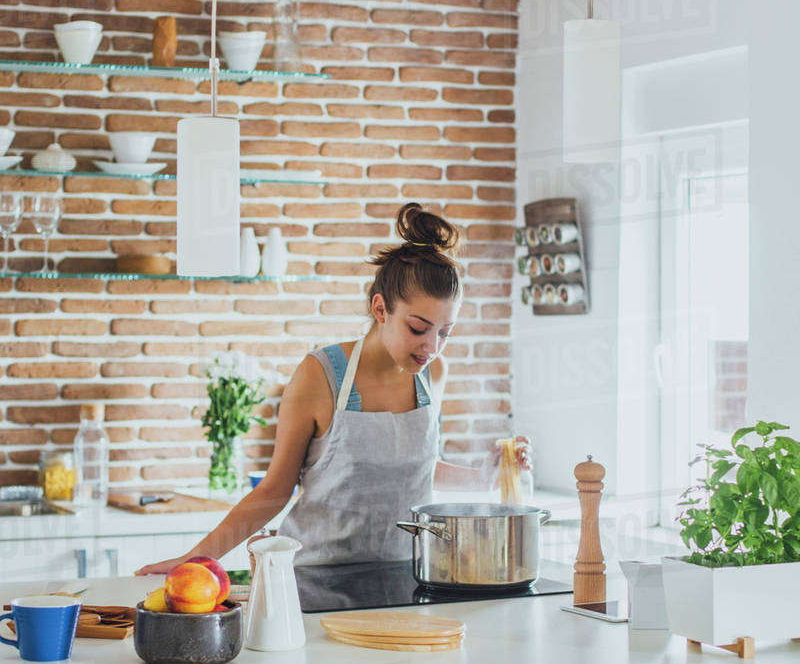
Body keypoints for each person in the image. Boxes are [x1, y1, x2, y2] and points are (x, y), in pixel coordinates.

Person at [136, 202, 530, 574]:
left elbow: (415, 469)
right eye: (417, 328)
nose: (431, 346)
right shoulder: (320, 375)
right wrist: (194, 558)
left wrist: (484, 477)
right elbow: (274, 490)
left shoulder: (433, 373)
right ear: (380, 309)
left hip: (404, 576)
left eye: (445, 332)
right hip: (315, 579)